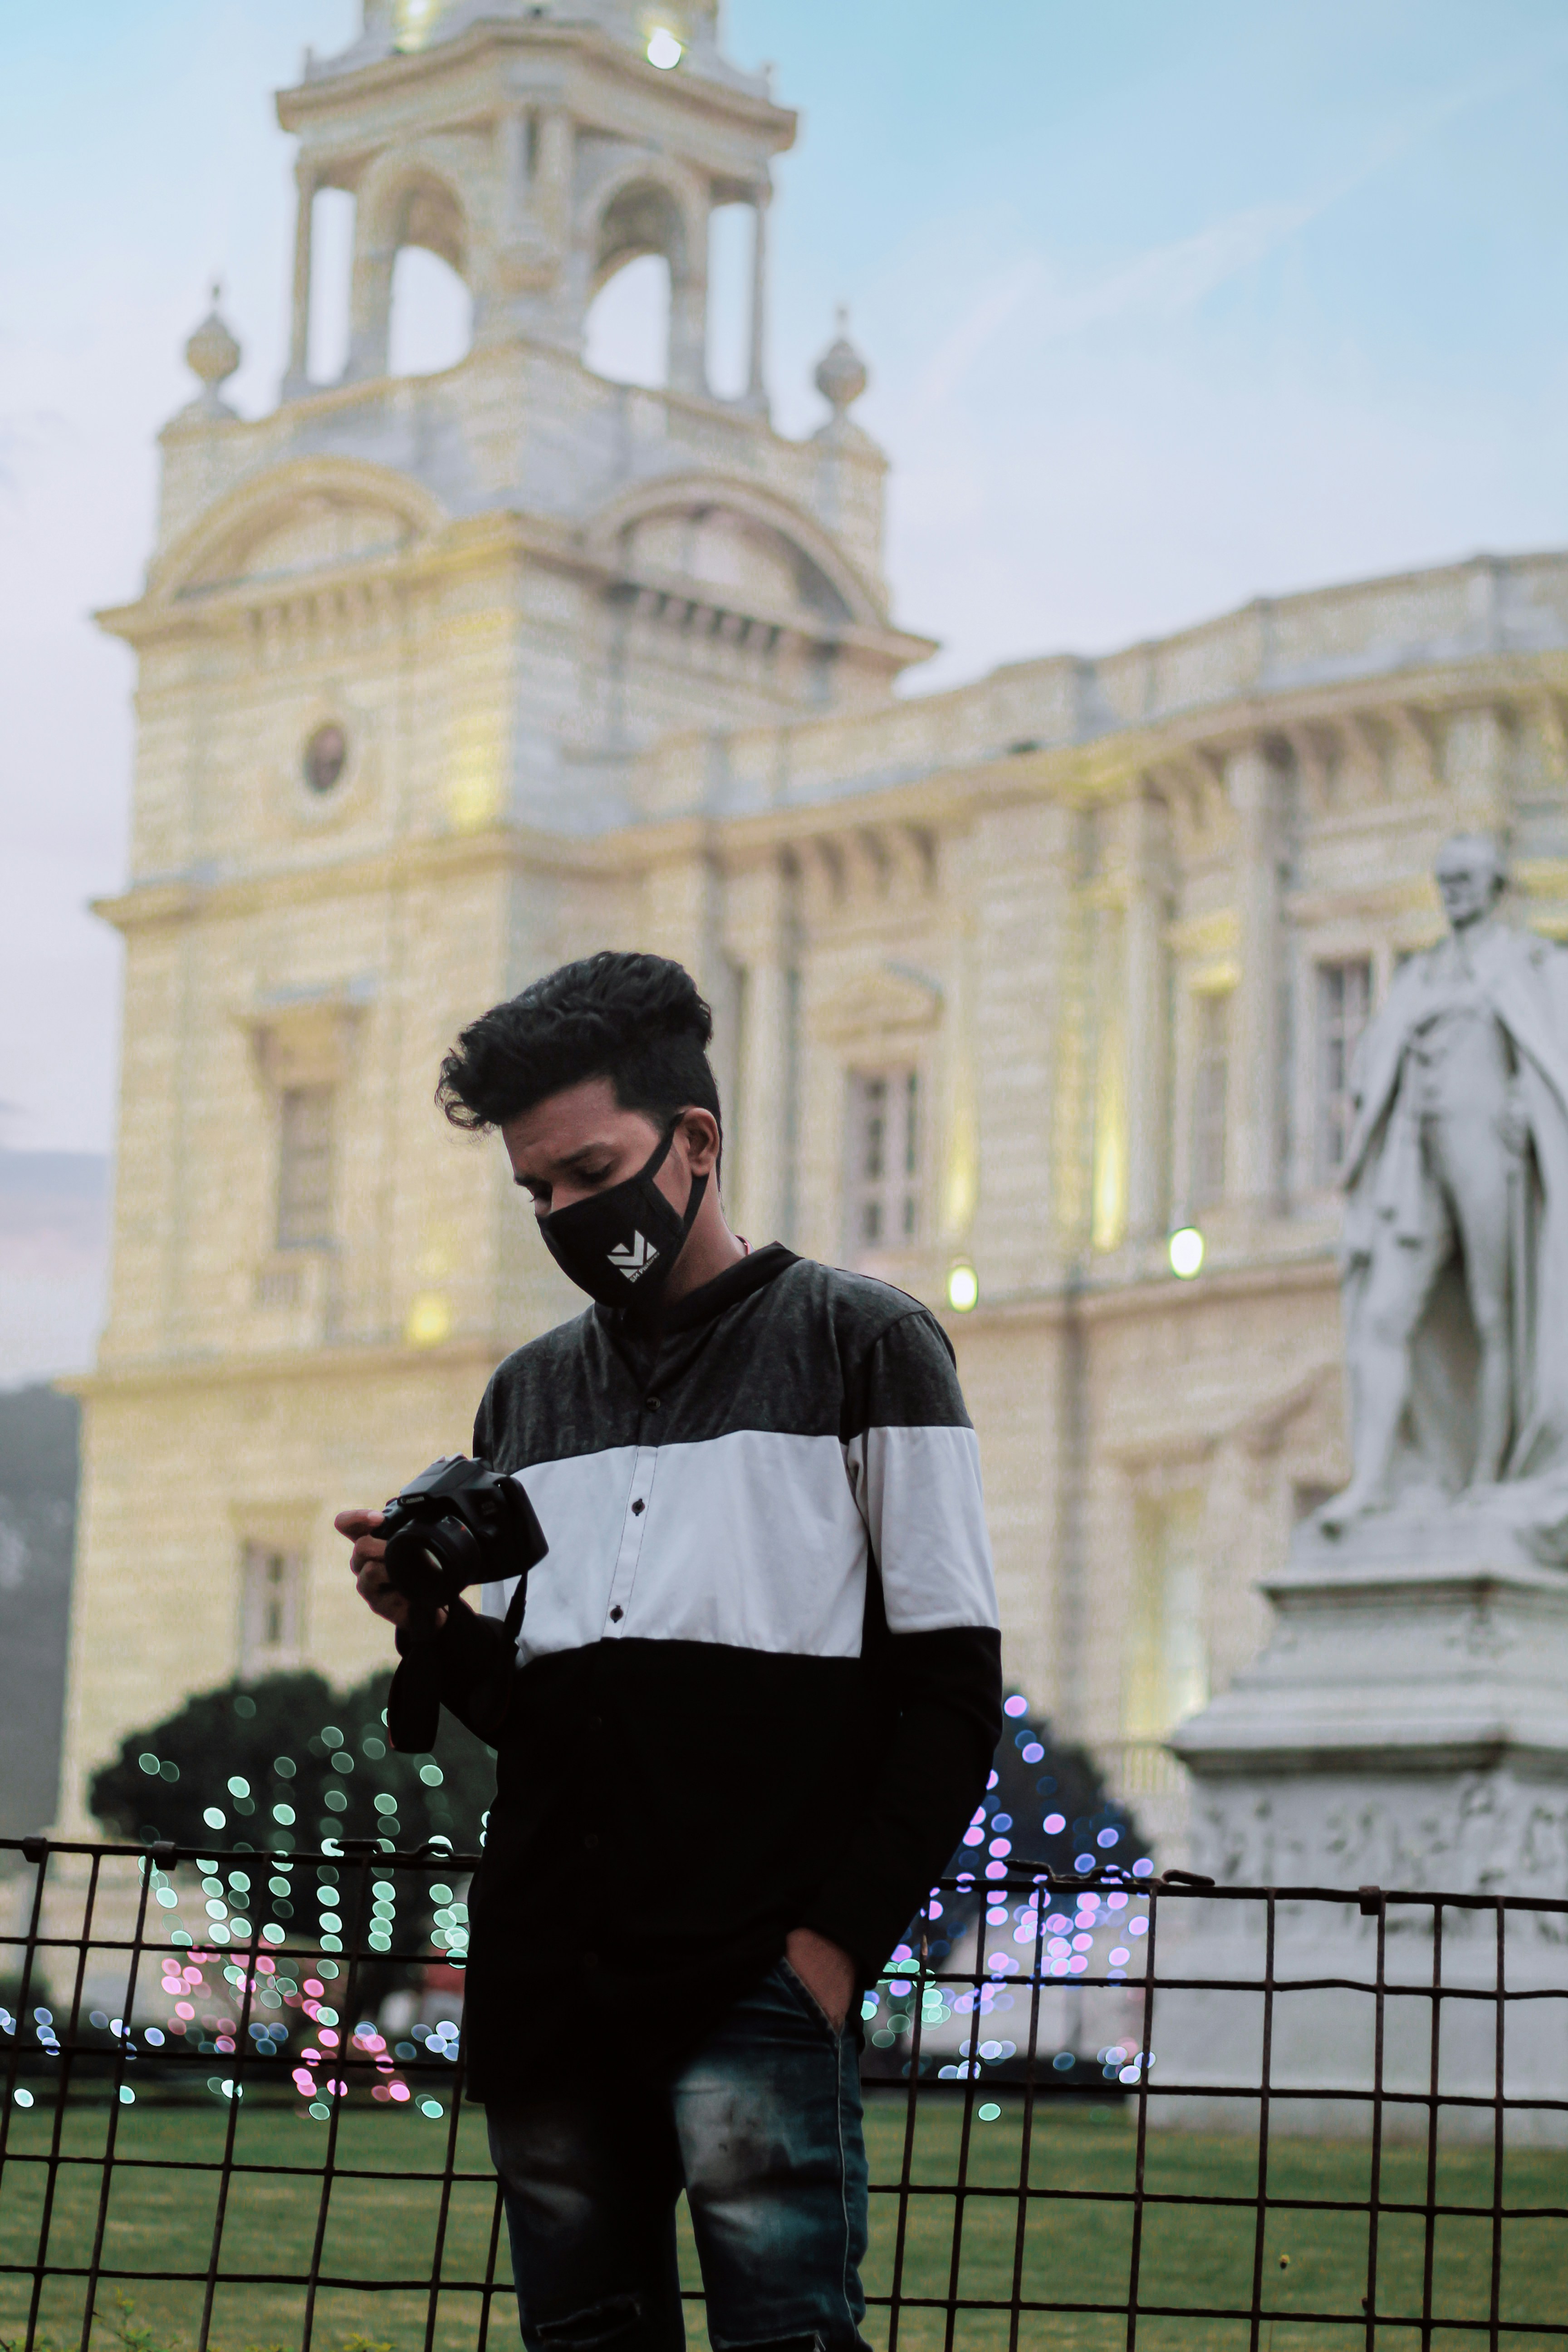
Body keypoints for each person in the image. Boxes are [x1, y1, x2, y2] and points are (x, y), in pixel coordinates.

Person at [336, 950, 1002, 2351]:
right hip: (549, 1995)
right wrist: (432, 1632)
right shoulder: (527, 1393)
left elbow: (953, 1694)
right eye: (538, 1193)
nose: (568, 1215)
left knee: (789, 2346)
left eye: (591, 1171)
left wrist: (829, 1957)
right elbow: (551, 1715)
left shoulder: (866, 1345)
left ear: (695, 1143)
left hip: (753, 1987)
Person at [1323, 834, 1568, 1541]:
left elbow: (1552, 1060)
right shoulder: (1422, 976)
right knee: (1385, 1315)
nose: (1453, 890)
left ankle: (1492, 1479)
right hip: (1413, 1165)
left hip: (1492, 1157)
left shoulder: (1532, 965)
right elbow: (1377, 1069)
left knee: (1500, 1318)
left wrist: (1529, 1105)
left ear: (1495, 886)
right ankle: (1371, 1481)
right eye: (1445, 878)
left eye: (1466, 878)